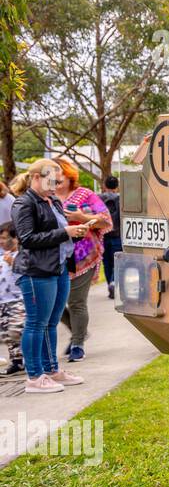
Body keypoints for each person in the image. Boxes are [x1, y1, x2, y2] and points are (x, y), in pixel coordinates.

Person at [11, 160, 89, 394]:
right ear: (36, 177)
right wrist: (64, 232)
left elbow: (56, 234)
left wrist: (74, 234)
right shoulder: (24, 203)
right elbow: (28, 239)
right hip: (37, 271)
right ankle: (34, 377)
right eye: (52, 180)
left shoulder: (53, 200)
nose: (56, 185)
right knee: (36, 323)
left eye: (59, 181)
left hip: (58, 267)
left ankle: (52, 370)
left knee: (50, 323)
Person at [54, 158, 111, 362]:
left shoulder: (86, 195)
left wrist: (81, 216)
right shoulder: (46, 198)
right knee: (55, 304)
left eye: (58, 172)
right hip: (54, 257)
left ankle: (78, 343)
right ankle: (78, 330)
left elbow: (105, 219)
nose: (54, 177)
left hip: (83, 256)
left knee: (76, 302)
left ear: (68, 174)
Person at [0, 223, 25, 375]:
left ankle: (30, 358)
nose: (1, 242)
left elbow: (26, 274)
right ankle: (16, 361)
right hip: (3, 301)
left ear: (16, 239)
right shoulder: (2, 257)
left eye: (4, 238)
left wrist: (13, 264)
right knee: (6, 335)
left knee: (16, 330)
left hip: (18, 300)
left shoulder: (22, 257)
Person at [100, 174, 123, 299]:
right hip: (118, 236)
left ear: (104, 185)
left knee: (107, 262)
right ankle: (114, 283)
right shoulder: (121, 198)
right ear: (117, 186)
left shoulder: (98, 198)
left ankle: (110, 284)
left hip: (103, 236)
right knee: (117, 262)